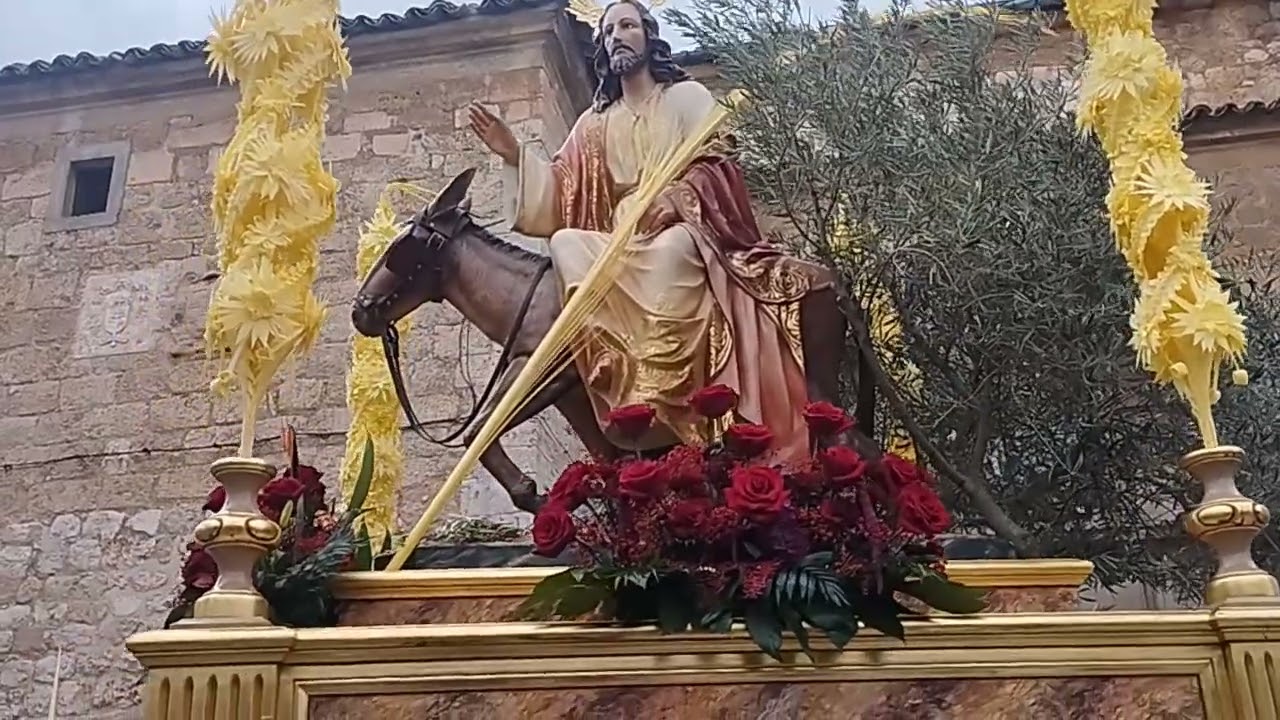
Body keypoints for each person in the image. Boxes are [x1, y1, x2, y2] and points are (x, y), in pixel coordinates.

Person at [467, 0, 831, 463]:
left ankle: (667, 375)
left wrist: (676, 200)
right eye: (608, 30)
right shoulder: (594, 124)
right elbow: (561, 191)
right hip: (620, 236)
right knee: (565, 242)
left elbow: (717, 164)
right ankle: (611, 359)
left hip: (682, 226)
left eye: (627, 25)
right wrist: (515, 154)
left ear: (648, 35)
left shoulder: (687, 98)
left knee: (674, 250)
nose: (617, 35)